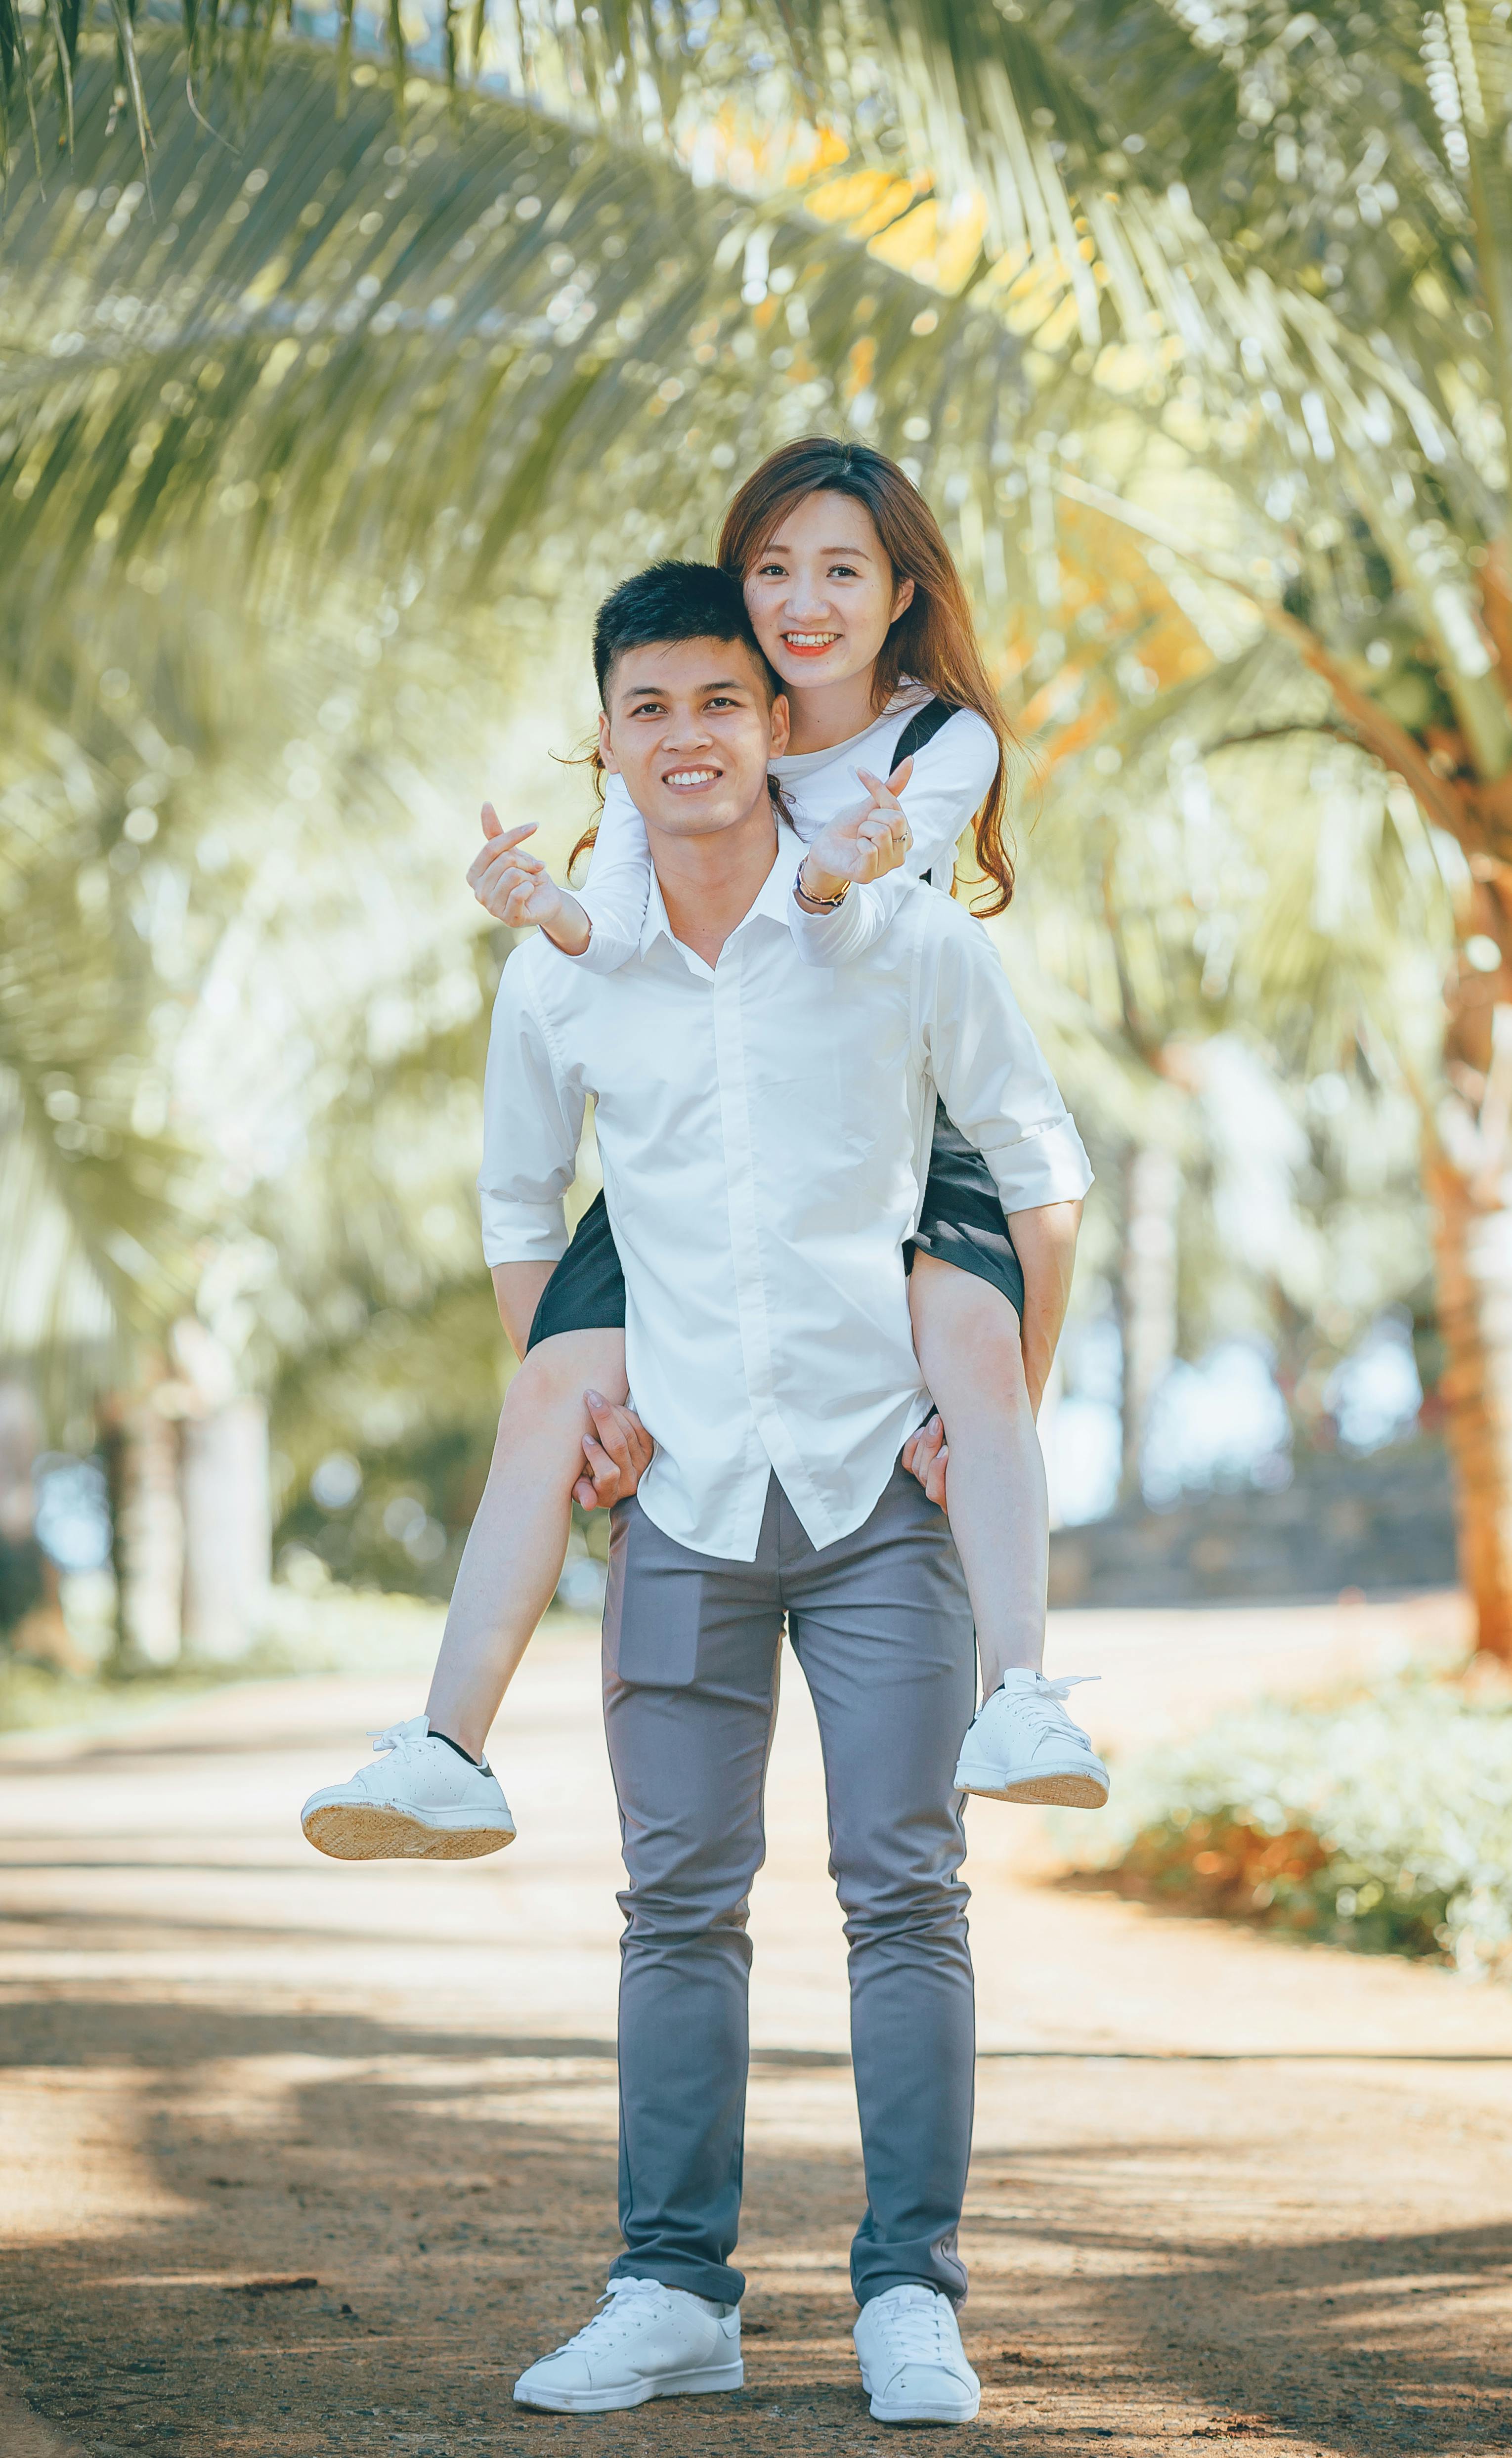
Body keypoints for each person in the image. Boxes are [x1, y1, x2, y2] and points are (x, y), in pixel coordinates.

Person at [467, 559, 1088, 2419]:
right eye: (647, 707)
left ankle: (911, 2295)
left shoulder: (899, 934)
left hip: (875, 1495)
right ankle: (674, 2291)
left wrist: (996, 1406)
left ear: (779, 730)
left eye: (720, 704)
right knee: (677, 1909)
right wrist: (577, 1401)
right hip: (685, 1507)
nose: (686, 737)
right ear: (607, 736)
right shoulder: (561, 971)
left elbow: (1033, 1150)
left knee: (906, 1896)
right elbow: (522, 1209)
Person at [299, 442, 1107, 1865]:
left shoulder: (938, 743)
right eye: (773, 567)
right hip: (713, 1120)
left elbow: (861, 925)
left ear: (903, 591)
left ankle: (1025, 1695)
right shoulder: (700, 721)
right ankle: (444, 1748)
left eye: (841, 570)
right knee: (548, 1390)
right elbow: (614, 936)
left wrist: (817, 868)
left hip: (878, 1123)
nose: (803, 600)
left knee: (976, 1357)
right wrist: (545, 917)